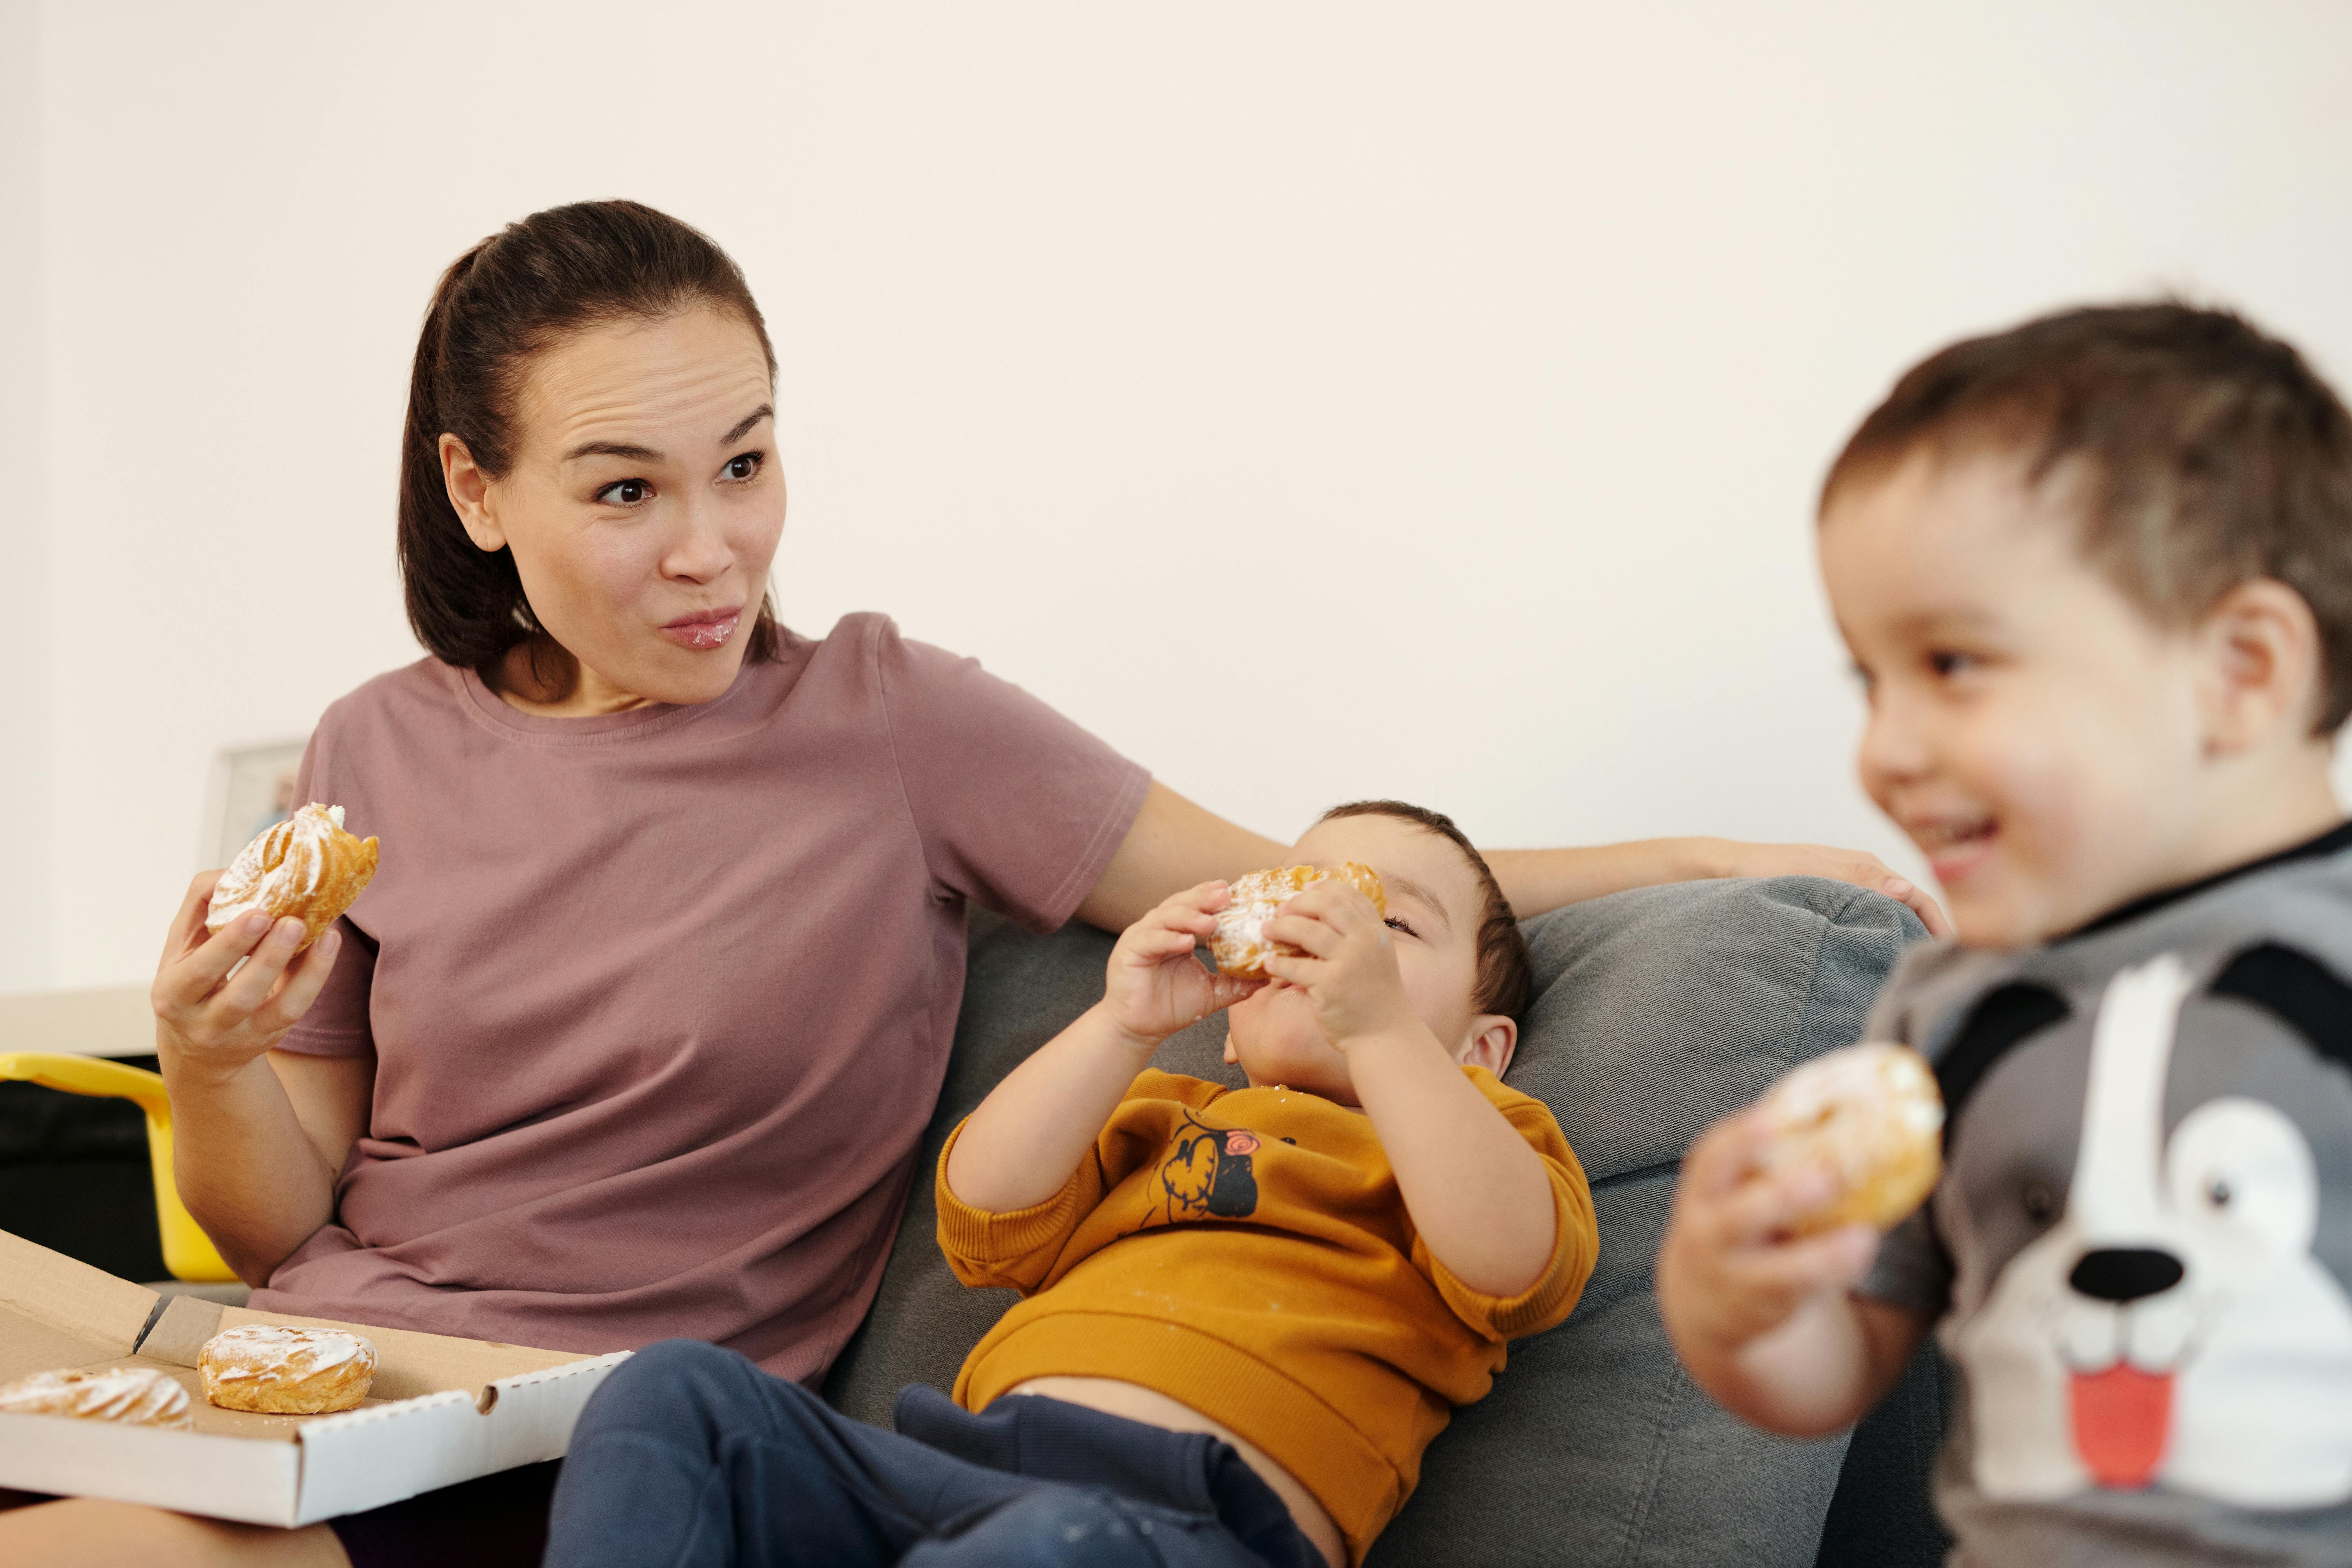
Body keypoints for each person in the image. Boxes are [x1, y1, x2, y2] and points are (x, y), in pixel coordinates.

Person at [0, 199, 1935, 1568]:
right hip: (309, 1367)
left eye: (746, 463)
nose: (713, 550)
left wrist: (1711, 850)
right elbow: (276, 1226)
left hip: (561, 1450)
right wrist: (207, 1052)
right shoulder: (374, 748)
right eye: (623, 491)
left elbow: (1299, 882)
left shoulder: (896, 726)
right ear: (474, 491)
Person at [1657, 303, 2352, 1564]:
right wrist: (1741, 1315)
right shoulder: (1948, 1011)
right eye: (1870, 679)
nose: (1886, 750)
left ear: (2242, 669)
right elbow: (1848, 1365)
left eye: (1954, 663)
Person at [542, 801, 1595, 1568]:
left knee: (1049, 1545)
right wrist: (1122, 1024)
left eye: (1393, 927)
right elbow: (983, 1211)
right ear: (1229, 1025)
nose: (1328, 934)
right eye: (1299, 900)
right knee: (670, 1391)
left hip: (1192, 1529)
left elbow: (1513, 1262)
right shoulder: (1159, 1110)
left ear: (1483, 1049)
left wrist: (1382, 1032)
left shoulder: (1484, 1136)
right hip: (957, 1473)